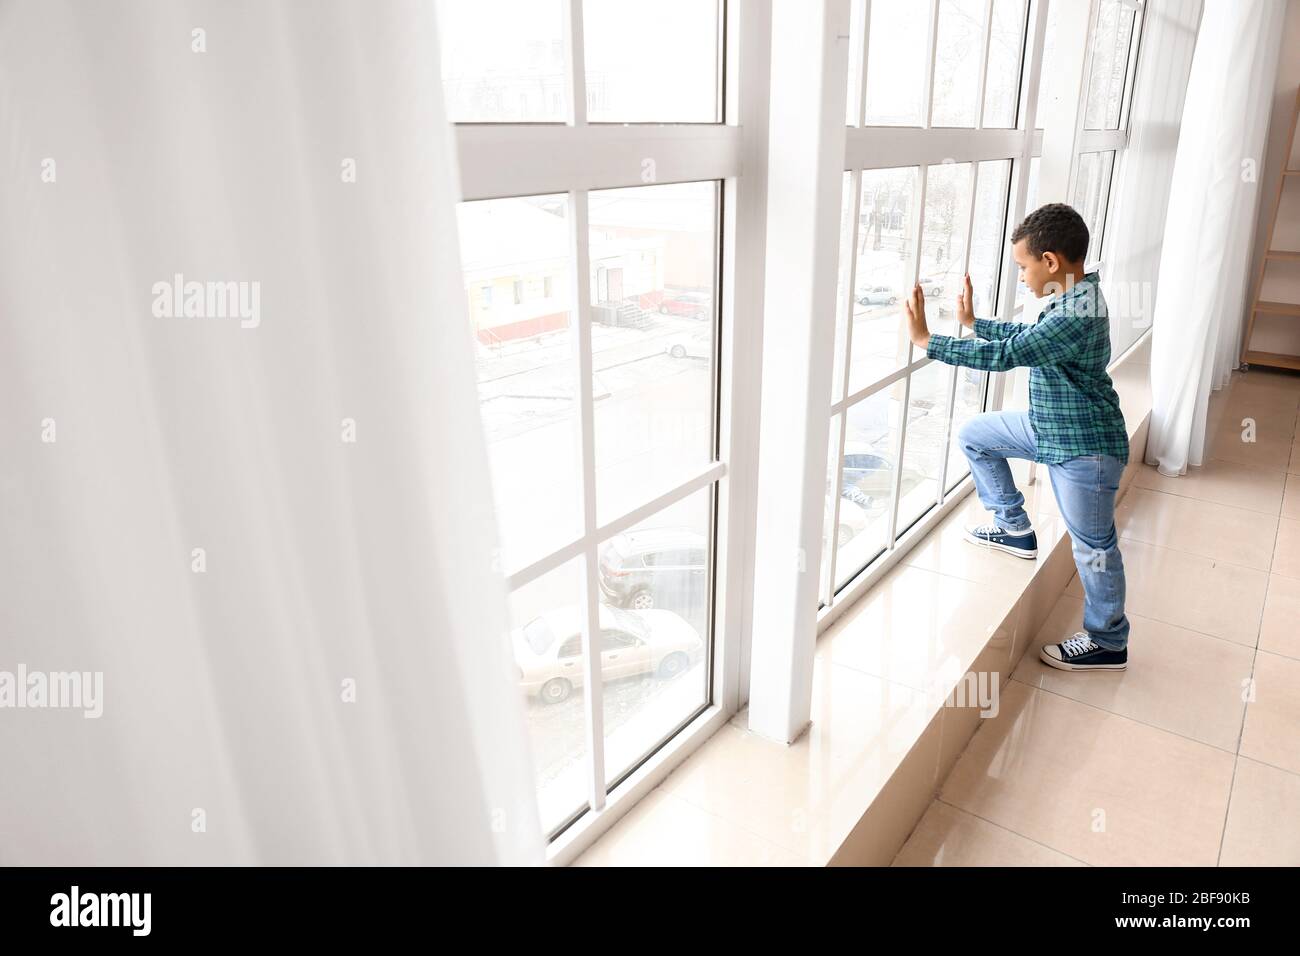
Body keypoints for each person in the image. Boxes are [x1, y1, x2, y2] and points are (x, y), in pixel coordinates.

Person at [901, 203, 1130, 672]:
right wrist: (974, 323)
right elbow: (1029, 334)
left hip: (1085, 449)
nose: (1022, 278)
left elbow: (1010, 355)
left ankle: (1109, 642)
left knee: (1094, 548)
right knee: (975, 434)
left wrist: (928, 341)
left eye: (1023, 266)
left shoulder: (1077, 313)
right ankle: (1014, 528)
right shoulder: (1073, 298)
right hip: (1050, 429)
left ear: (1051, 261)